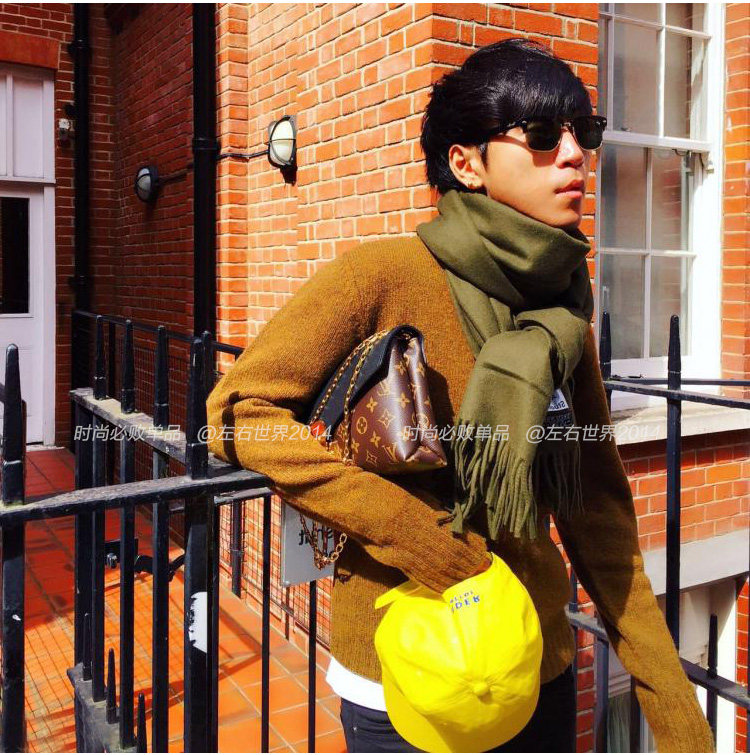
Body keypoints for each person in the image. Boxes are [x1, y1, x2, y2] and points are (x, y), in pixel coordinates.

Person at [206, 38, 715, 753]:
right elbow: (238, 413)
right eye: (543, 135)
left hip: (534, 664)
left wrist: (681, 726)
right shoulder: (382, 274)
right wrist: (420, 539)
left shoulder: (562, 310)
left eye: (584, 132)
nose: (575, 154)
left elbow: (598, 512)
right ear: (466, 163)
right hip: (406, 677)